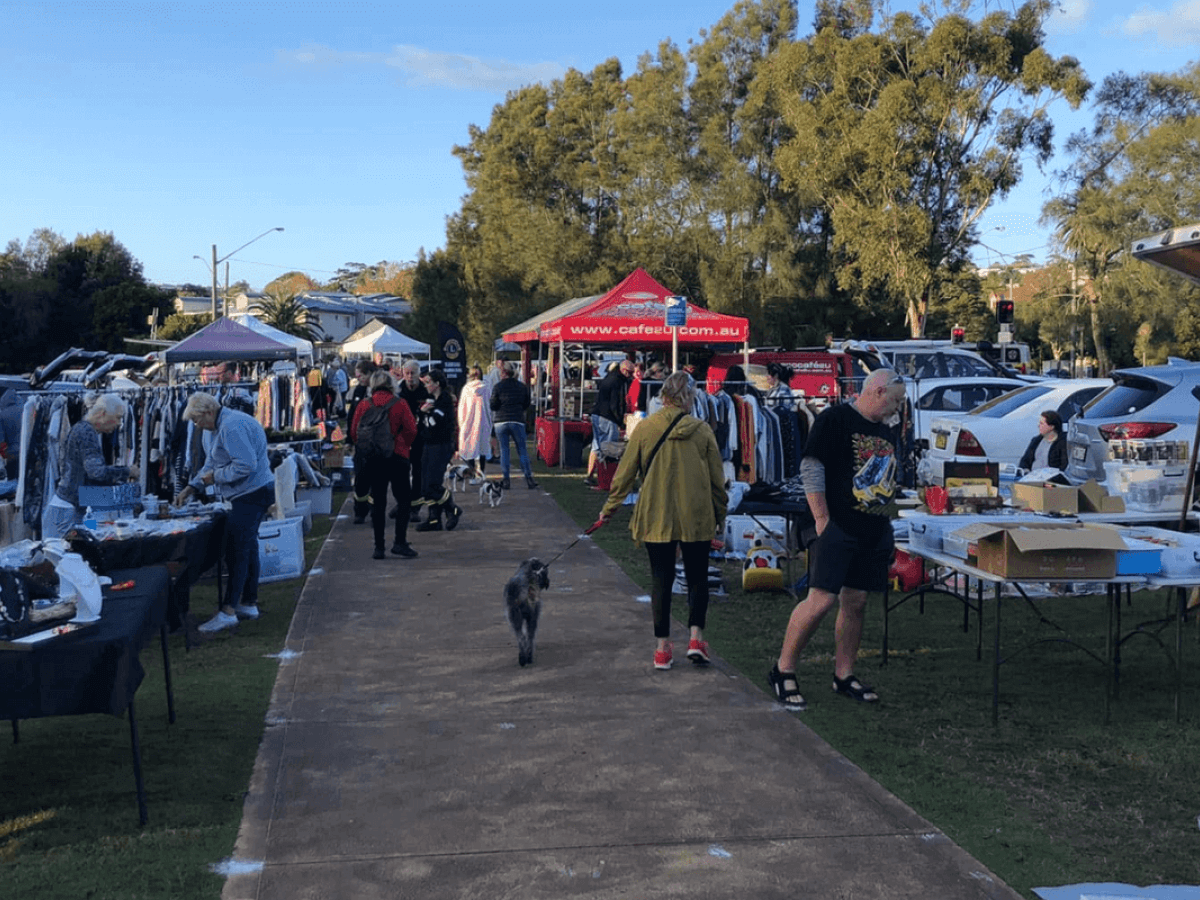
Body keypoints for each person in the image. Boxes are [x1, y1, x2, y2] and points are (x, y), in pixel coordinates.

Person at [767, 368, 907, 710]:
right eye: (895, 400)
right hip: (836, 525)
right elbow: (812, 467)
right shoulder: (835, 419)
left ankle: (844, 674)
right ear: (877, 391)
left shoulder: (886, 429)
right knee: (821, 600)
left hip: (872, 528)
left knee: (856, 601)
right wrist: (821, 519)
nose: (897, 408)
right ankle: (783, 669)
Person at [598, 372, 727, 670]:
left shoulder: (646, 428)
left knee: (661, 579)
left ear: (663, 396)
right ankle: (696, 638)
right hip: (696, 513)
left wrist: (610, 507)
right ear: (689, 398)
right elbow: (717, 480)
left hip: (656, 512)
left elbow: (625, 473)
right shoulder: (702, 430)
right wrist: (720, 514)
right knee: (697, 577)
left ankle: (662, 648)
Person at [174, 392, 274, 633]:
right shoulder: (217, 427)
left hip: (252, 493)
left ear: (209, 412)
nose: (197, 425)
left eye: (197, 420)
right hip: (249, 492)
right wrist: (192, 487)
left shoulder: (231, 426)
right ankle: (248, 603)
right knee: (247, 547)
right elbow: (211, 462)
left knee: (237, 549)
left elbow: (245, 465)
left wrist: (215, 478)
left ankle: (229, 610)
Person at [41, 394, 139, 539]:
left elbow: (87, 477)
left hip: (72, 509)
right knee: (64, 553)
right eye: (118, 417)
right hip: (66, 513)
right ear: (102, 414)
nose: (119, 423)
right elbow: (96, 472)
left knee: (89, 544)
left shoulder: (85, 430)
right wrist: (127, 471)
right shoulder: (86, 432)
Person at [349, 369, 419, 559]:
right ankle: (400, 542)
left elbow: (354, 431)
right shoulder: (400, 403)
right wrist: (403, 445)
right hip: (397, 456)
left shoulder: (365, 404)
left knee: (378, 501)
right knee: (403, 500)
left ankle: (379, 547)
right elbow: (411, 430)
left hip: (373, 458)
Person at [414, 368, 463, 531]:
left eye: (429, 382)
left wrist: (423, 414)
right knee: (424, 485)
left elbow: (433, 423)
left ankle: (452, 509)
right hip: (428, 444)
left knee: (432, 484)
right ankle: (434, 519)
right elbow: (423, 424)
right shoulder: (431, 400)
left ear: (437, 384)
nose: (426, 385)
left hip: (440, 445)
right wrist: (423, 415)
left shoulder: (444, 401)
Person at [489, 361, 537, 490]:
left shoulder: (498, 387)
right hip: (517, 419)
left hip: (501, 420)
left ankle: (506, 479)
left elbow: (493, 405)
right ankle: (529, 478)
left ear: (503, 373)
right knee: (522, 450)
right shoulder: (522, 386)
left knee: (504, 450)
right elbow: (527, 403)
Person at [586, 359, 634, 484]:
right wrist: (620, 421)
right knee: (609, 448)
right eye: (630, 372)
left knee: (596, 446)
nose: (631, 375)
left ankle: (590, 475)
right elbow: (615, 403)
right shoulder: (617, 381)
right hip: (607, 417)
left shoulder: (609, 377)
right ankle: (606, 478)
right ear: (623, 370)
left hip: (597, 414)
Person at [397, 360, 429, 522]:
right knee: (400, 474)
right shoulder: (398, 391)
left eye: (413, 373)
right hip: (401, 438)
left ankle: (415, 508)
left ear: (418, 374)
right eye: (407, 373)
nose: (410, 377)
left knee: (418, 473)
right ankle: (403, 504)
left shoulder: (425, 391)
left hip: (420, 438)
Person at [458, 365, 493, 483]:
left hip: (469, 422)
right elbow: (490, 406)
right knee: (483, 449)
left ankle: (472, 475)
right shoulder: (487, 388)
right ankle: (481, 473)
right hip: (484, 422)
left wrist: (461, 423)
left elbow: (462, 408)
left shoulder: (466, 389)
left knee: (469, 449)